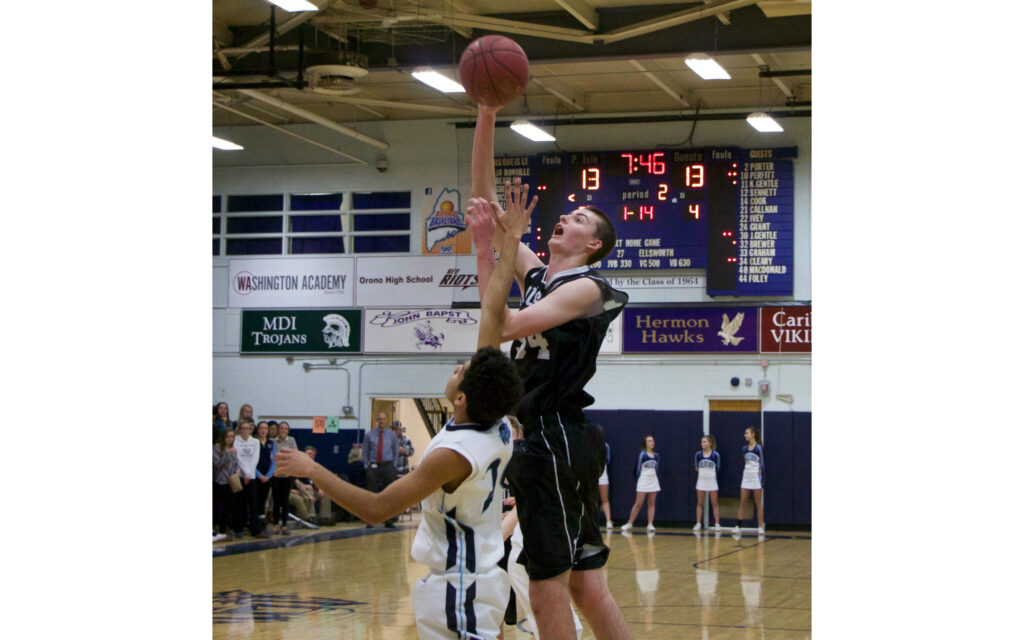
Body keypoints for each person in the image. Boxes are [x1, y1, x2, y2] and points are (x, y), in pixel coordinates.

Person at [276, 193, 527, 640]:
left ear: (463, 398)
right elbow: (492, 310)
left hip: (460, 586)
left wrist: (312, 467)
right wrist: (503, 240)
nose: (457, 367)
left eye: (462, 370)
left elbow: (376, 509)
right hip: (475, 578)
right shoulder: (500, 424)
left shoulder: (453, 454)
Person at [469, 102, 631, 640]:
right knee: (587, 586)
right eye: (571, 211)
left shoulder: (588, 287)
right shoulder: (540, 274)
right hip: (559, 439)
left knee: (546, 585)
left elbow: (504, 323)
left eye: (582, 219)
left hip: (554, 438)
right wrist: (487, 112)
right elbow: (488, 205)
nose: (569, 215)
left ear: (593, 246)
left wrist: (497, 249)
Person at [232, 420, 270, 539]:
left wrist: (249, 474)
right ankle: (238, 529)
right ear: (240, 429)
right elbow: (237, 458)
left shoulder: (255, 441)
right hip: (240, 476)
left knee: (254, 505)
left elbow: (255, 459)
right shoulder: (236, 441)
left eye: (247, 428)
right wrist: (245, 473)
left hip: (251, 476)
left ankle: (256, 530)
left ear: (251, 430)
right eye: (243, 428)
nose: (245, 430)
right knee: (239, 504)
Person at [362, 412, 400, 528]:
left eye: (384, 419)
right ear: (377, 420)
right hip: (374, 466)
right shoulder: (369, 435)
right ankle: (371, 519)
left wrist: (394, 465)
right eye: (380, 419)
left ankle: (389, 519)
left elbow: (396, 451)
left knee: (389, 493)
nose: (382, 421)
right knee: (371, 493)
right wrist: (366, 465)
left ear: (386, 420)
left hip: (388, 465)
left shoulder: (392, 435)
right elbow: (365, 451)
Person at [621, 436, 660, 534]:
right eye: (649, 441)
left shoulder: (656, 456)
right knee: (638, 503)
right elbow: (638, 469)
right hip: (643, 480)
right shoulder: (642, 455)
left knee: (651, 503)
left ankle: (650, 524)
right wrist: (639, 479)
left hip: (653, 480)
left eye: (652, 440)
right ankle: (630, 523)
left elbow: (656, 468)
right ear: (645, 443)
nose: (652, 442)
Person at [734, 427, 766, 535]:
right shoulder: (744, 449)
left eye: (747, 433)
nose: (745, 435)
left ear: (752, 435)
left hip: (756, 477)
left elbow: (762, 464)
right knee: (743, 501)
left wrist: (762, 479)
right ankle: (738, 525)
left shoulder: (759, 448)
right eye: (745, 433)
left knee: (758, 502)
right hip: (746, 476)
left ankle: (760, 526)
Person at [270, 421, 298, 534]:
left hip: (287, 474)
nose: (283, 430)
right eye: (281, 428)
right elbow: (273, 457)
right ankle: (276, 524)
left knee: (285, 500)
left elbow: (294, 455)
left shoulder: (291, 440)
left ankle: (285, 525)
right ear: (278, 429)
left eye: (285, 429)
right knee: (276, 501)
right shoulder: (272, 441)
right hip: (276, 474)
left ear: (288, 431)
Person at [213, 427, 240, 540]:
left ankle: (228, 527)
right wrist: (226, 453)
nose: (229, 439)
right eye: (227, 437)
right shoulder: (216, 448)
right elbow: (217, 464)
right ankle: (221, 528)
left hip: (232, 481)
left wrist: (238, 470)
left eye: (232, 437)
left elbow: (236, 462)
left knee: (230, 506)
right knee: (221, 507)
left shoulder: (233, 448)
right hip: (221, 481)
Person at [693, 434, 722, 532]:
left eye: (704, 442)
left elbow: (717, 467)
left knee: (714, 502)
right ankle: (698, 523)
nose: (702, 444)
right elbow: (696, 467)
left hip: (712, 481)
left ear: (710, 443)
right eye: (702, 442)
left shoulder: (715, 455)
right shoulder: (698, 454)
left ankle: (717, 523)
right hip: (701, 481)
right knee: (700, 503)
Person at [253, 420, 277, 535]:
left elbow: (275, 461)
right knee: (255, 500)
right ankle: (254, 524)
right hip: (255, 476)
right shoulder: (253, 442)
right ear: (258, 429)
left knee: (264, 499)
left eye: (265, 428)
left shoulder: (271, 444)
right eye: (261, 428)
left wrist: (268, 476)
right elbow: (250, 462)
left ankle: (262, 522)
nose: (263, 430)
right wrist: (259, 475)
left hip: (267, 476)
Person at [598, 442, 612, 529]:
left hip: (602, 472)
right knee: (590, 499)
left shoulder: (605, 445)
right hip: (591, 472)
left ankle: (608, 521)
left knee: (605, 498)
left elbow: (608, 459)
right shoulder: (588, 442)